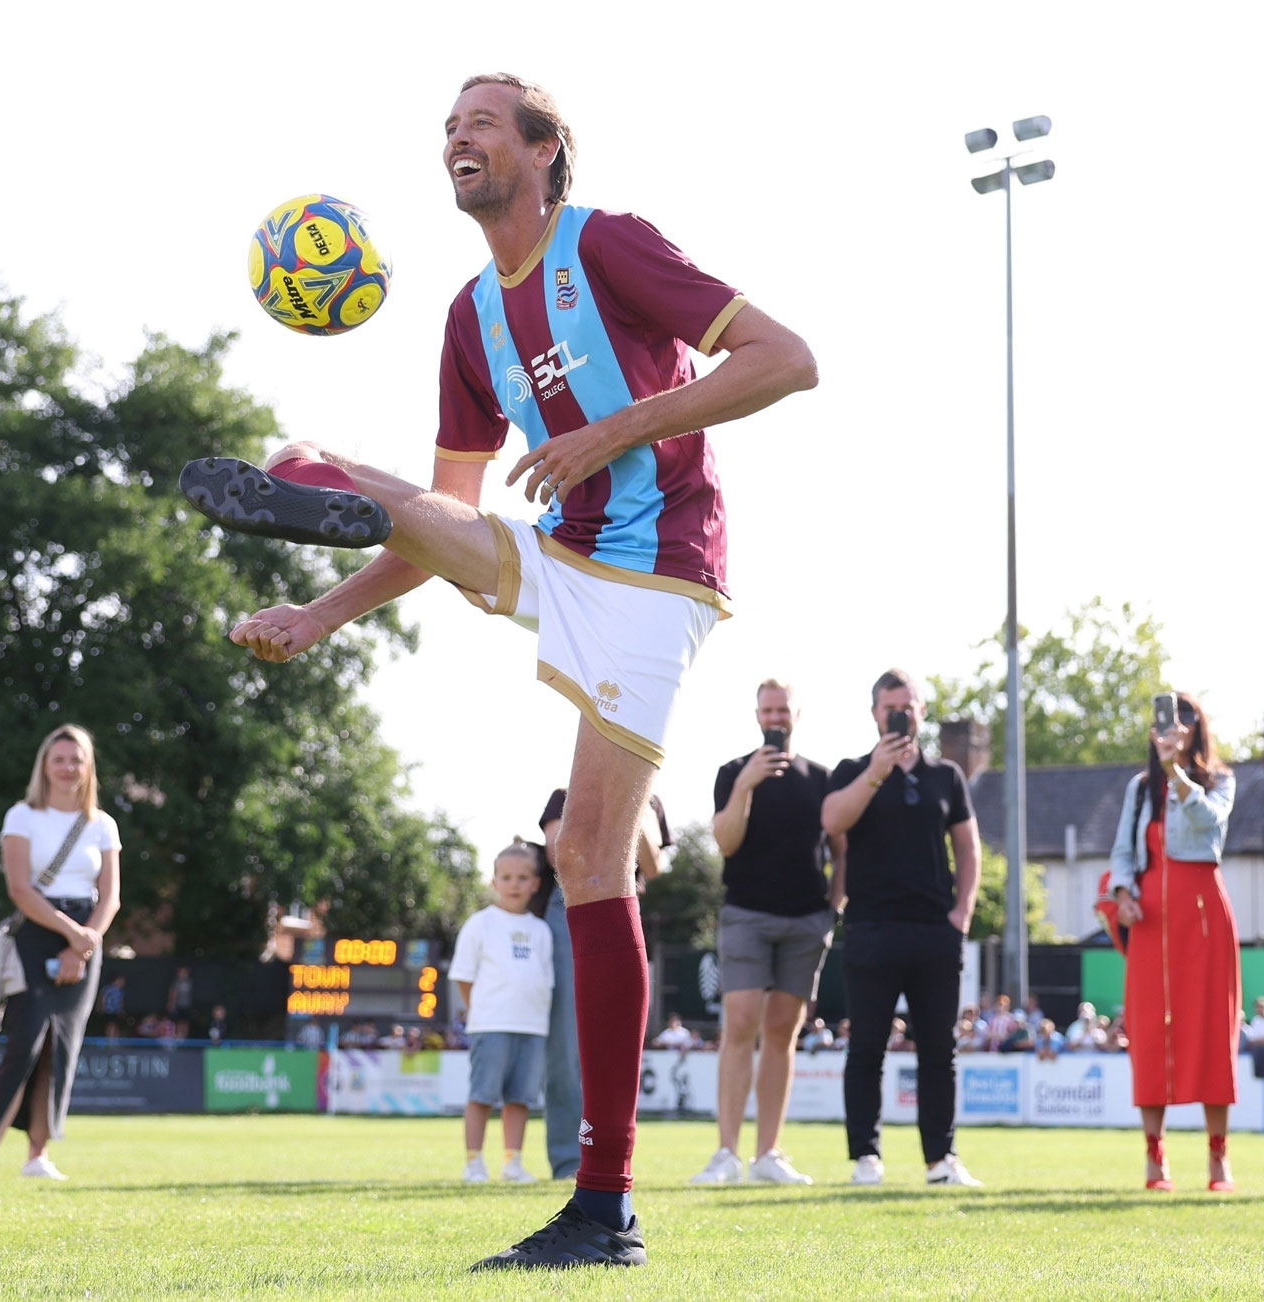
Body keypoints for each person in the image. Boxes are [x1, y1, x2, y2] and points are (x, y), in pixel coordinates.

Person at [183, 70, 815, 1269]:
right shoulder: (469, 318)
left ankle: (606, 1205)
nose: (455, 139)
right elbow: (443, 519)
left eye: (479, 122)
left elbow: (789, 360)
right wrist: (319, 616)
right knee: (331, 467)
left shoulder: (611, 247)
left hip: (660, 569)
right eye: (447, 129)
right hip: (557, 554)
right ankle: (309, 478)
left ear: (542, 150)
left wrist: (616, 427)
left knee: (586, 854)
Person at [824, 669, 983, 1189]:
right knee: (866, 1047)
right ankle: (865, 1159)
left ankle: (942, 1160)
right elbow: (831, 821)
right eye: (891, 706)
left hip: (935, 932)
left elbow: (967, 846)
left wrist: (962, 912)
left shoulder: (946, 776)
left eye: (909, 705)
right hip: (870, 928)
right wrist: (876, 772)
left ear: (921, 710)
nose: (901, 714)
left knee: (939, 1048)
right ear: (875, 713)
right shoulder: (851, 769)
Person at [690, 678, 835, 1187]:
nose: (775, 717)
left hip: (805, 920)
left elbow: (841, 848)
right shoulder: (732, 772)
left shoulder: (821, 777)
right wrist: (747, 784)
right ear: (756, 715)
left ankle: (768, 1154)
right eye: (767, 710)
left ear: (798, 713)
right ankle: (725, 1153)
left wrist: (832, 908)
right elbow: (726, 843)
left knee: (782, 1032)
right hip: (746, 913)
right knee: (741, 1021)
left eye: (783, 710)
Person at [0, 724, 121, 1182]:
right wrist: (71, 933)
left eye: (76, 759)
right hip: (37, 929)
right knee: (25, 1041)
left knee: (63, 1047)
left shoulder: (103, 824)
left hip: (86, 933)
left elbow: (110, 896)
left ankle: (39, 1155)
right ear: (45, 765)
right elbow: (19, 888)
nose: (68, 767)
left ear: (88, 766)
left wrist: (86, 940)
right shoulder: (22, 815)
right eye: (59, 759)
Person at [1108, 690, 1239, 1192]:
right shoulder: (1140, 789)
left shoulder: (1220, 780)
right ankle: (1154, 1154)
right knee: (1148, 1031)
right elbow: (1123, 850)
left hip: (1202, 913)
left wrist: (1178, 774)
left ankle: (1217, 1154)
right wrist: (1123, 893)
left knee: (1209, 1026)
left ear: (1196, 729)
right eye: (1166, 721)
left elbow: (1210, 823)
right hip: (1150, 920)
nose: (1173, 729)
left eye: (1184, 721)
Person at [538, 790, 669, 1183]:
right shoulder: (566, 793)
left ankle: (612, 1161)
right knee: (565, 1041)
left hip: (623, 905)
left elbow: (654, 865)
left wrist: (634, 802)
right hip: (570, 906)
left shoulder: (651, 801)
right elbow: (560, 854)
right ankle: (566, 1161)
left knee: (618, 1041)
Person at [450, 842, 555, 1186]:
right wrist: (483, 1009)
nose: (514, 884)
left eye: (523, 877)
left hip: (533, 1027)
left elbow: (545, 981)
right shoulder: (480, 924)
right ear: (494, 882)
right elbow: (464, 978)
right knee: (482, 1096)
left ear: (536, 883)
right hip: (491, 1025)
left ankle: (513, 1164)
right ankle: (474, 1163)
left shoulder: (541, 930)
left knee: (520, 1099)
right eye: (506, 877)